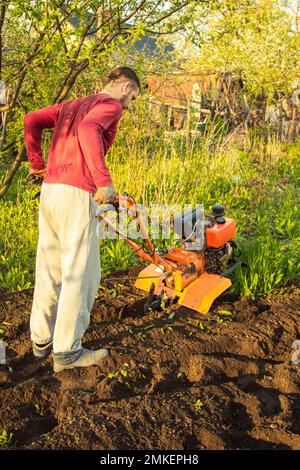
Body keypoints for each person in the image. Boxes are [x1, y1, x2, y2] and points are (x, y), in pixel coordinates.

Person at [24, 66, 141, 373]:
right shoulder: (109, 105)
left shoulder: (71, 105)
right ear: (126, 86)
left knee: (49, 268)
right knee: (81, 273)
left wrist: (38, 165)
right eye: (133, 97)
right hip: (77, 195)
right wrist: (104, 182)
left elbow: (31, 121)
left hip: (51, 190)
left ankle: (41, 340)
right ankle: (67, 352)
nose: (129, 106)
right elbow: (89, 130)